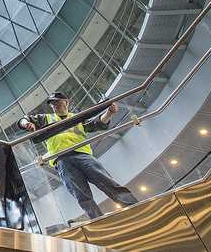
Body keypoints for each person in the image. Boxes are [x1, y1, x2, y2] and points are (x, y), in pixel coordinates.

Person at [18, 92, 136, 220]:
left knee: (106, 181)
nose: (55, 105)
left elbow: (96, 124)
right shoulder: (46, 119)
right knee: (81, 194)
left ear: (66, 102)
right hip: (62, 160)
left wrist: (109, 113)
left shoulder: (78, 118)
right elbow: (24, 119)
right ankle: (98, 220)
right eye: (52, 104)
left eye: (58, 102)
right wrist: (26, 124)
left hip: (83, 155)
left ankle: (133, 206)